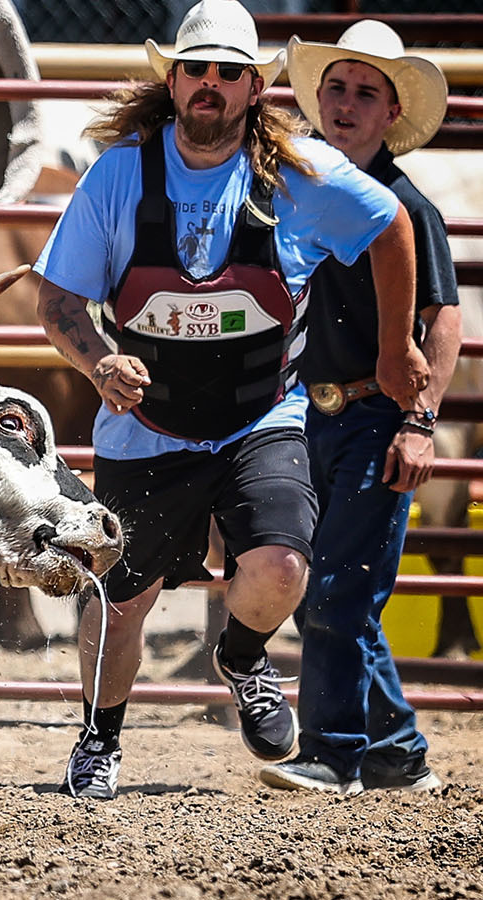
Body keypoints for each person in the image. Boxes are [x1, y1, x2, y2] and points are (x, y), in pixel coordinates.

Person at [32, 0, 430, 800]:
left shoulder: (297, 176)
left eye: (227, 71)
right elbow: (59, 302)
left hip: (262, 417)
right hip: (145, 426)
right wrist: (102, 363)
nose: (209, 83)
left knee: (283, 568)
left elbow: (392, 224)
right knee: (123, 597)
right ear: (173, 81)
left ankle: (243, 655)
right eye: (195, 69)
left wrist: (396, 347)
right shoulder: (119, 174)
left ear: (256, 87)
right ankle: (98, 740)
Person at [255, 21, 458, 796]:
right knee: (333, 589)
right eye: (336, 88)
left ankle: (334, 754)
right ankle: (397, 750)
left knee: (339, 587)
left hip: (375, 415)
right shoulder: (302, 191)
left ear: (388, 115)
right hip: (309, 413)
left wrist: (419, 420)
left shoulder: (409, 208)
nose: (345, 104)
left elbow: (443, 322)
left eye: (365, 93)